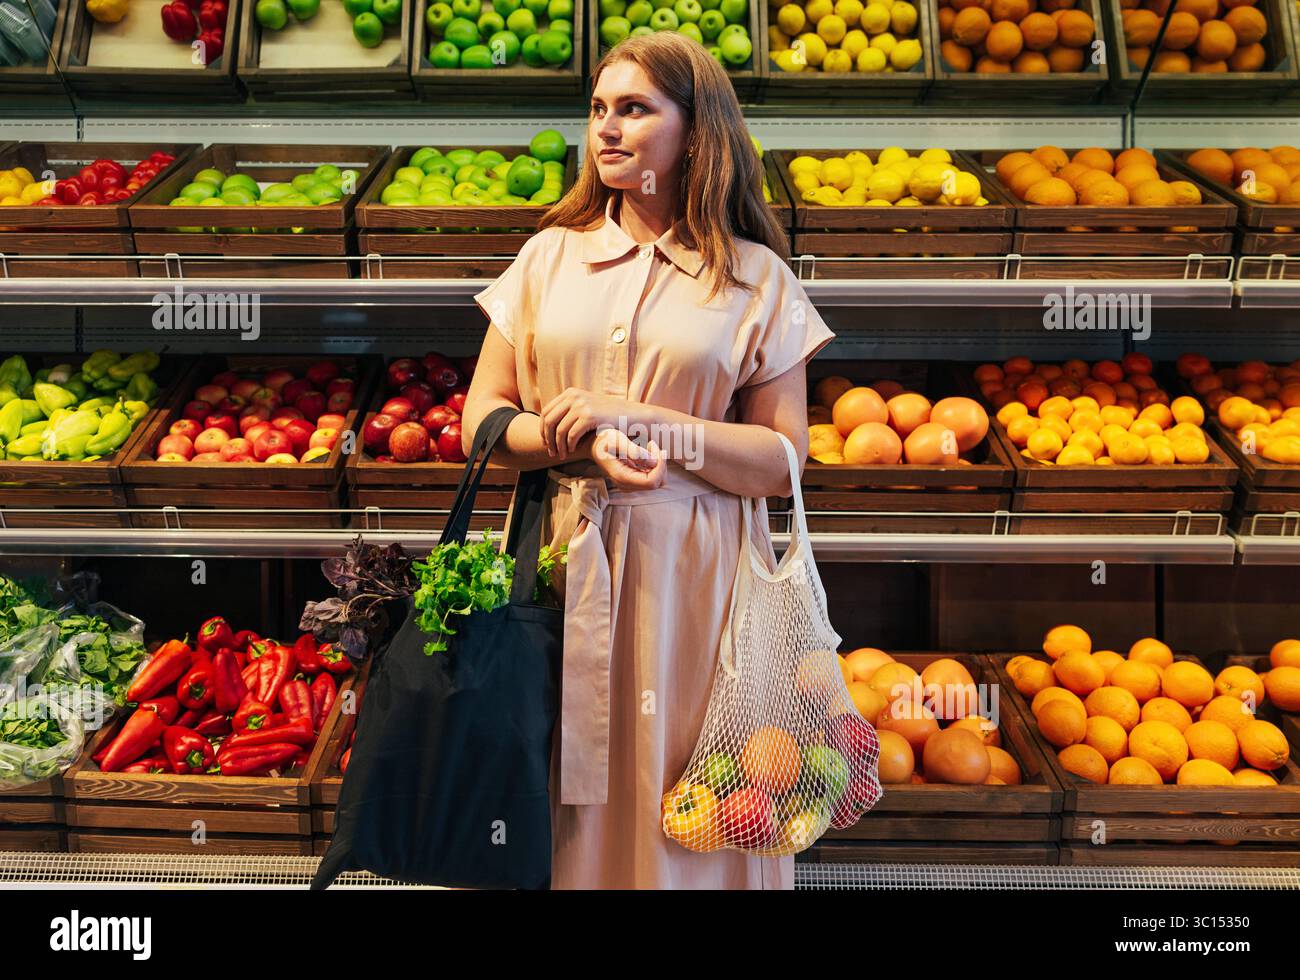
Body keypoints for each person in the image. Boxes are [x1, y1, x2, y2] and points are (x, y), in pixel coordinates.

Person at [462, 30, 835, 889]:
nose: (607, 129)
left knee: (687, 793)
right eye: (598, 109)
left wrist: (647, 423)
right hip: (560, 564)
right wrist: (574, 440)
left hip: (696, 585)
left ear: (697, 133)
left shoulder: (755, 279)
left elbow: (781, 462)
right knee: (562, 793)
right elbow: (481, 416)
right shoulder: (547, 256)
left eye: (634, 109)